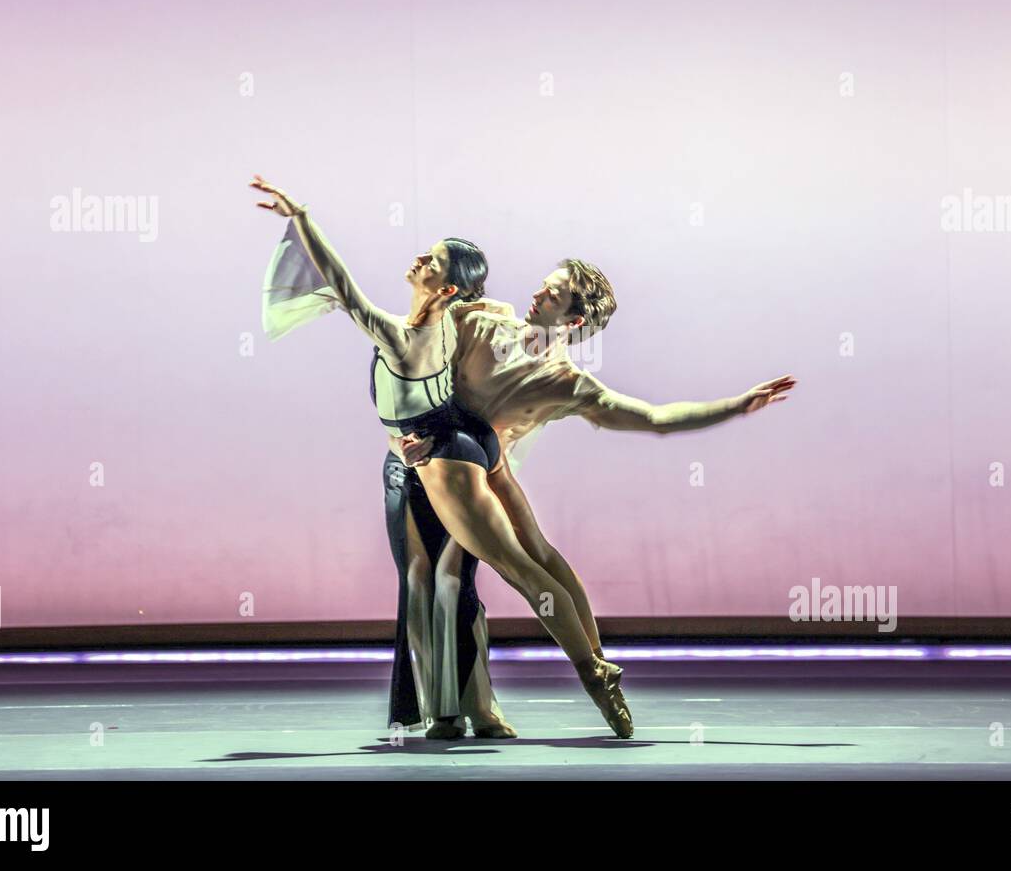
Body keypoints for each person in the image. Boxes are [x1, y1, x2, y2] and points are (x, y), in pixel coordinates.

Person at [253, 176, 633, 738]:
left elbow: (345, 286)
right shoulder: (465, 323)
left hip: (453, 460)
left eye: (431, 260)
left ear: (450, 287)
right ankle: (458, 707)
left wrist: (303, 218)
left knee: (468, 575)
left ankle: (494, 701)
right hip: (429, 458)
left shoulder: (429, 336)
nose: (417, 262)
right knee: (439, 578)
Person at [395, 261, 795, 725]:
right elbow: (416, 367)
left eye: (554, 293)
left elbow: (655, 418)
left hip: (486, 470)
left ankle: (595, 669)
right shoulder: (483, 320)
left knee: (539, 559)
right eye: (545, 284)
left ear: (574, 320)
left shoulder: (567, 383)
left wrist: (736, 406)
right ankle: (544, 685)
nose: (539, 293)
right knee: (467, 573)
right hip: (434, 457)